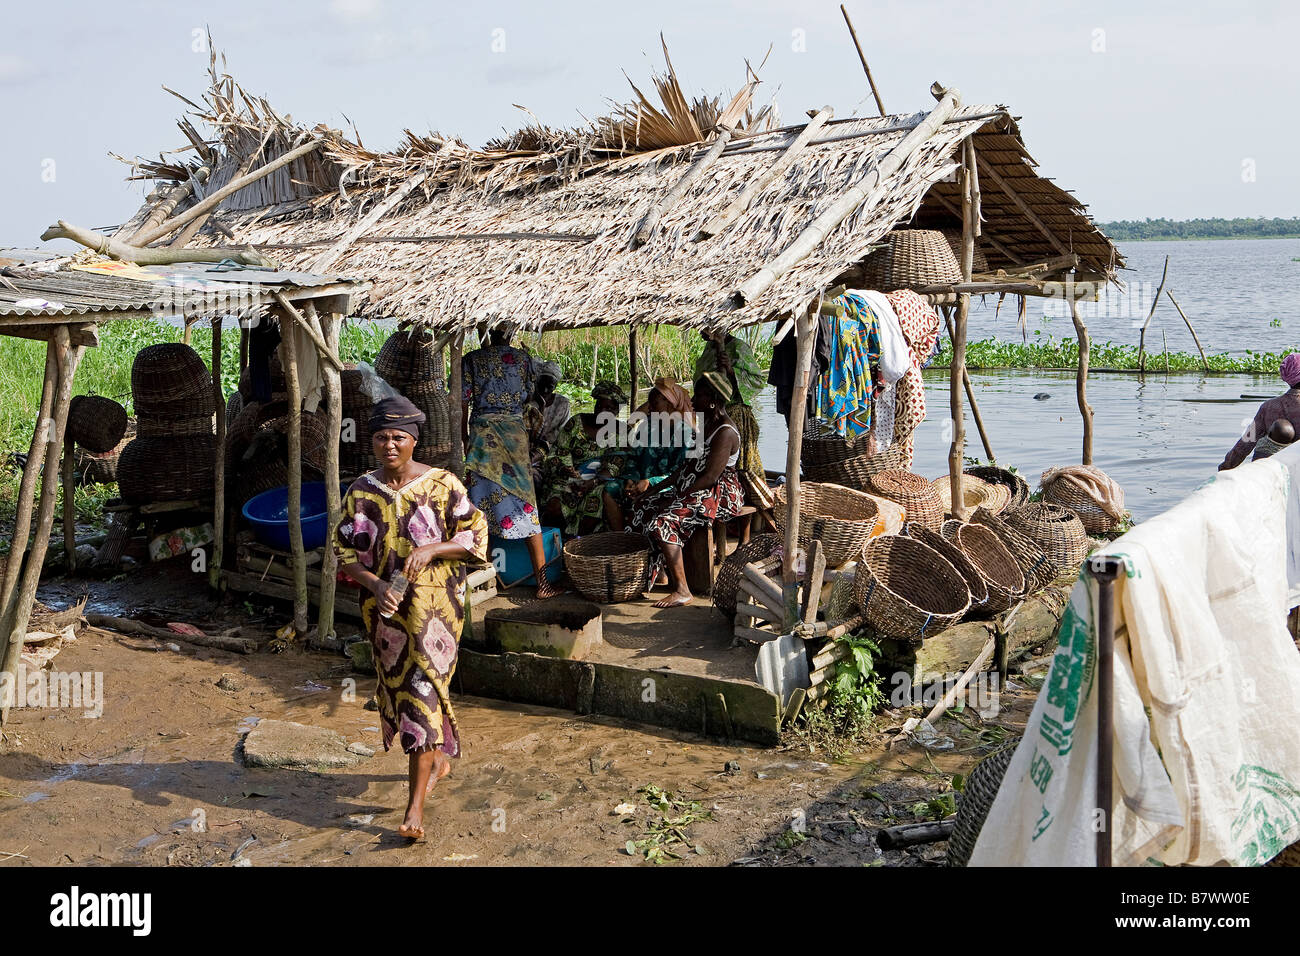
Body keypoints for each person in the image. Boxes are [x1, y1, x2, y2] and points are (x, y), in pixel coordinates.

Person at [336, 395, 488, 842]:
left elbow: (476, 535)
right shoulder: (361, 492)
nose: (389, 445)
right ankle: (437, 757)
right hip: (385, 620)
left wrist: (432, 548)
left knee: (422, 696)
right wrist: (377, 585)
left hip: (437, 617)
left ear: (413, 441)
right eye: (381, 437)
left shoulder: (443, 486)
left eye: (398, 437)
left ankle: (414, 809)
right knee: (405, 694)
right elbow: (344, 555)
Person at [627, 373, 743, 608]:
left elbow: (710, 477)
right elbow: (685, 469)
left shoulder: (725, 433)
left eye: (698, 395)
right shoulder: (707, 425)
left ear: (712, 400)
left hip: (719, 494)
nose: (690, 401)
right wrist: (654, 490)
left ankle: (682, 590)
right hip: (695, 486)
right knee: (643, 506)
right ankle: (652, 575)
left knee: (663, 519)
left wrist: (677, 497)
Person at [461, 324, 560, 597]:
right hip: (514, 437)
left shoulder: (471, 359)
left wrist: (463, 437)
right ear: (511, 332)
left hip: (483, 438)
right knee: (527, 505)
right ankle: (543, 584)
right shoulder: (522, 359)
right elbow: (529, 398)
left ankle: (479, 579)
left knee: (480, 507)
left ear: (488, 332)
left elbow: (461, 402)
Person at [694, 330, 773, 510]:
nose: (701, 330)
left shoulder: (738, 347)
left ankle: (744, 510)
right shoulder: (709, 348)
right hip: (709, 414)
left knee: (741, 468)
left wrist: (731, 370)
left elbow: (757, 381)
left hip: (733, 413)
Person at [539, 381, 628, 536]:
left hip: (599, 480)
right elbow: (559, 451)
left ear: (616, 411)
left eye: (608, 408)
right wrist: (565, 469)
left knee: (596, 499)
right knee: (555, 506)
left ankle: (578, 545)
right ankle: (557, 540)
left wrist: (593, 481)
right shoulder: (577, 422)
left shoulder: (621, 431)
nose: (601, 411)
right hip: (569, 476)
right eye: (599, 406)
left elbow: (617, 463)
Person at [606, 377, 695, 532]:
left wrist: (650, 483)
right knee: (609, 490)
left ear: (669, 403)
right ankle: (622, 540)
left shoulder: (685, 433)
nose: (649, 409)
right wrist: (631, 479)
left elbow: (681, 473)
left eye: (654, 404)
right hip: (641, 483)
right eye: (650, 405)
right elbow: (634, 458)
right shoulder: (646, 427)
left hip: (667, 487)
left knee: (646, 502)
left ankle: (646, 544)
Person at [1220, 353, 1300, 470]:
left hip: (1272, 467)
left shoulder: (1269, 407)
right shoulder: (1269, 406)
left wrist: (1225, 468)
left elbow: (1246, 442)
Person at [531, 360, 571, 449]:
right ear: (537, 383)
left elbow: (563, 430)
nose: (545, 390)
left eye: (550, 387)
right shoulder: (529, 402)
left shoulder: (563, 404)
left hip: (551, 446)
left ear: (555, 386)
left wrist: (545, 442)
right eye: (542, 385)